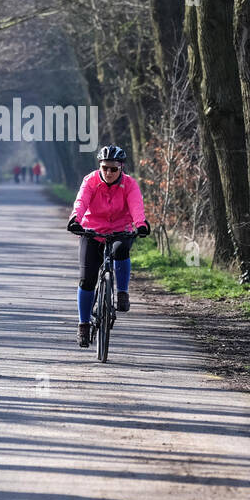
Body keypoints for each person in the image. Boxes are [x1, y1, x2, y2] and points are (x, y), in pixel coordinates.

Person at [66, 145, 150, 348]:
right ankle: (83, 325)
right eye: (105, 168)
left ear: (121, 168)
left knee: (121, 249)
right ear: (100, 167)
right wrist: (75, 219)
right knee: (87, 280)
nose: (109, 173)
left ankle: (122, 292)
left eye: (114, 169)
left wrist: (141, 224)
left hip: (119, 229)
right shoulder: (91, 181)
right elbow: (81, 202)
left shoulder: (129, 184)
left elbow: (136, 206)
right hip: (92, 230)